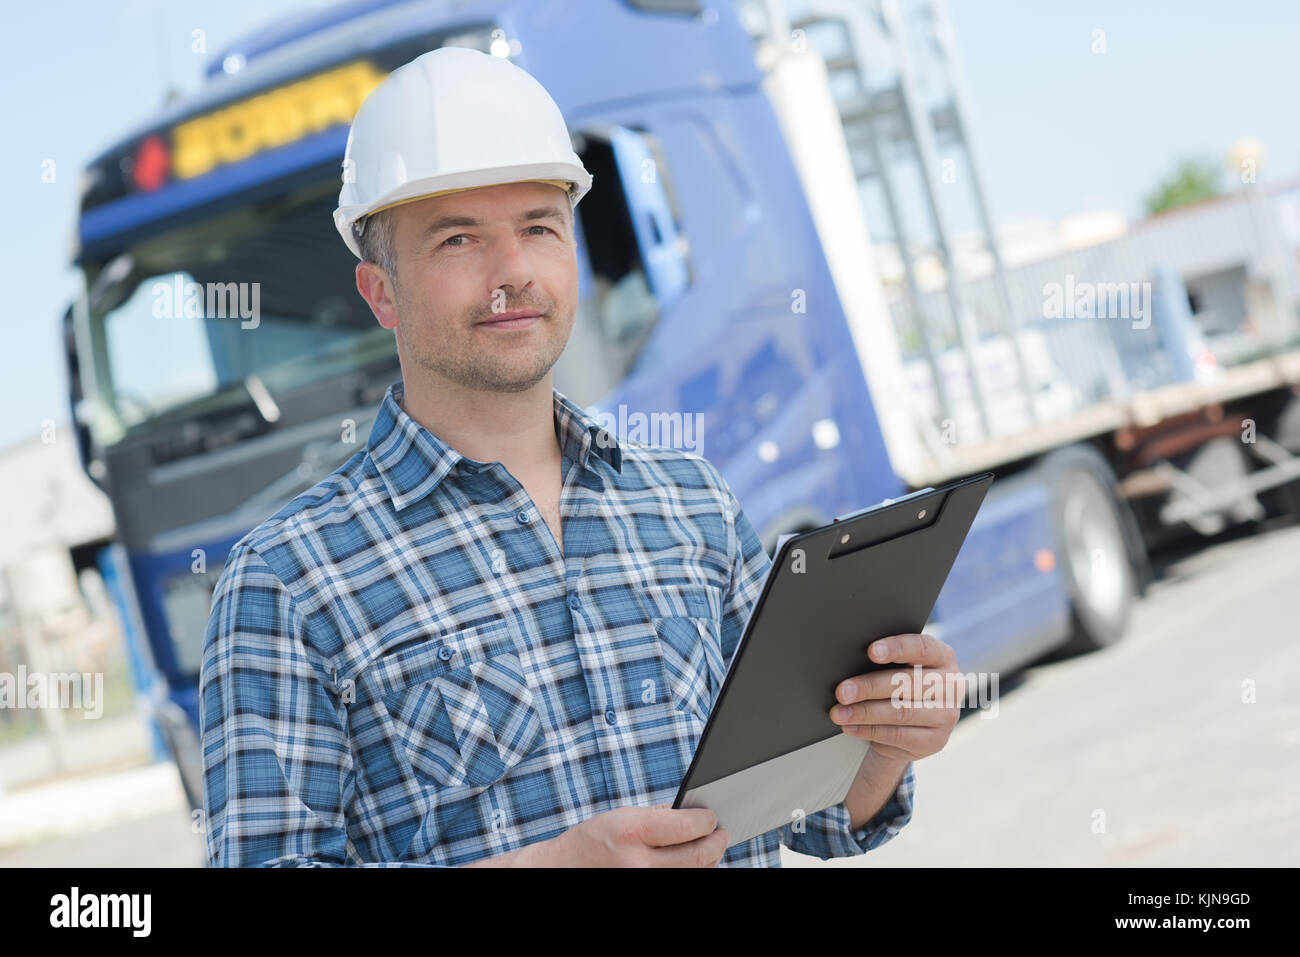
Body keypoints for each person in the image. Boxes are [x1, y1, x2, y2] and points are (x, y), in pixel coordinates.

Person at [200, 46, 961, 868]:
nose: (513, 271)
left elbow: (811, 812)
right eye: (458, 240)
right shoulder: (287, 584)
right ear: (380, 292)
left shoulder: (691, 505)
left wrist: (886, 744)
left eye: (539, 227)